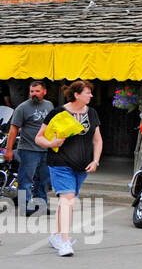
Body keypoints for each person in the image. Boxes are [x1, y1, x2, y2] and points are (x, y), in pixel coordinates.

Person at [33, 80, 101, 257]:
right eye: (88, 92)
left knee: (67, 202)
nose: (91, 95)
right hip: (60, 163)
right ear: (77, 95)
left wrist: (96, 161)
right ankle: (65, 242)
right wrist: (52, 143)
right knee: (68, 199)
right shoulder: (58, 112)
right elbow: (38, 138)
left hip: (82, 167)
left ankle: (56, 235)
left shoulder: (92, 113)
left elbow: (97, 139)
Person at [5, 79, 54, 216]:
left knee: (43, 180)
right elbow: (14, 129)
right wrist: (9, 150)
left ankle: (41, 205)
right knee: (25, 179)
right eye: (32, 91)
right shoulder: (23, 107)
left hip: (45, 149)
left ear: (44, 92)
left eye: (37, 91)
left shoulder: (49, 105)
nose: (34, 94)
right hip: (28, 150)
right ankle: (24, 207)